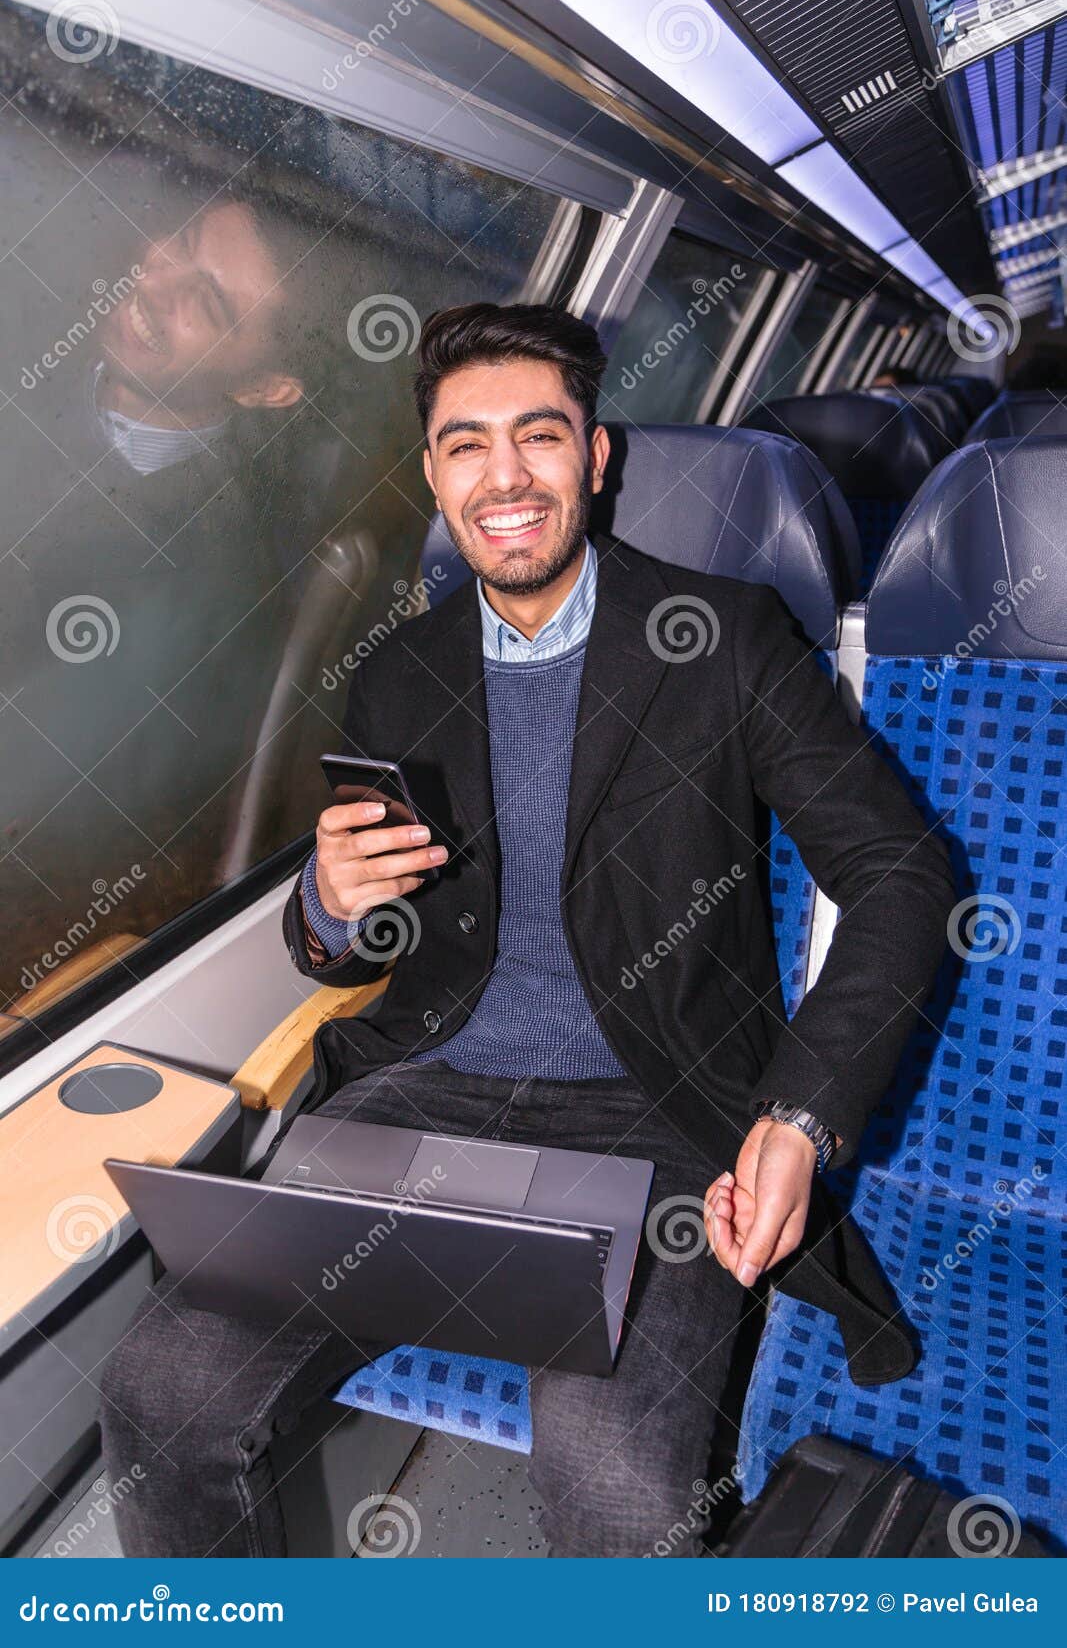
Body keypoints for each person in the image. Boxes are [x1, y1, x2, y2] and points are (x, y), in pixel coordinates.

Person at [99, 301, 957, 1558]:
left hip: (657, 1111)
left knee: (615, 1484)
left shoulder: (720, 638)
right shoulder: (401, 670)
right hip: (421, 1095)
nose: (502, 476)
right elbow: (355, 943)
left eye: (537, 437)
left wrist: (798, 1117)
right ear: (433, 474)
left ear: (593, 458)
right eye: (463, 446)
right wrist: (329, 908)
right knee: (158, 1395)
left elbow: (899, 872)